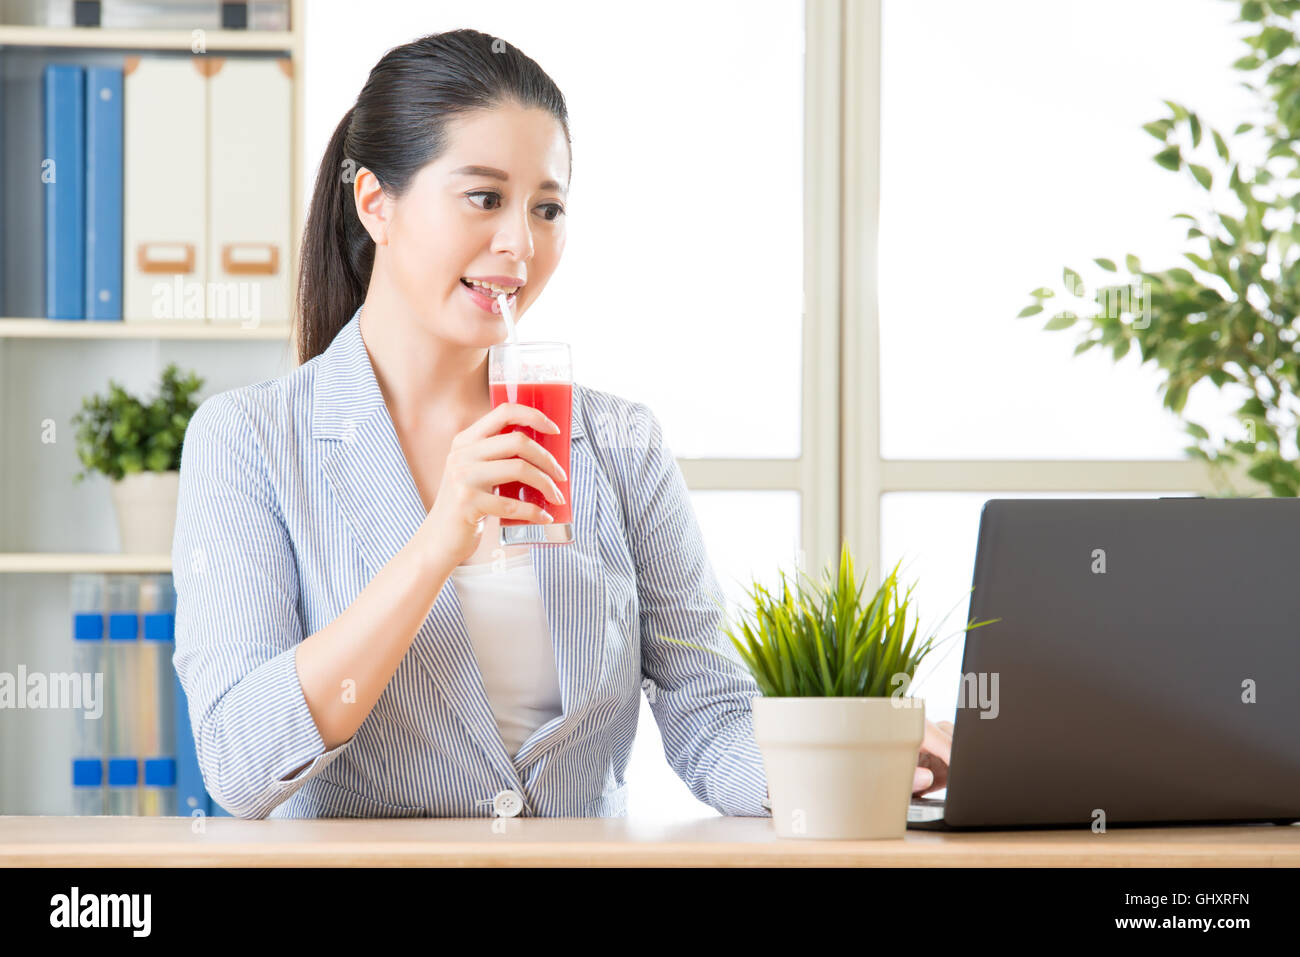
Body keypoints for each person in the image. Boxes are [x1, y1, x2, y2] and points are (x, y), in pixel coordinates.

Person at [171, 28, 951, 820]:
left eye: (547, 207)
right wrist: (439, 541)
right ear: (376, 202)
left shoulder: (619, 444)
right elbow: (241, 761)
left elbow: (710, 716)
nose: (520, 244)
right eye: (484, 198)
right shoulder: (251, 442)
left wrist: (855, 763)